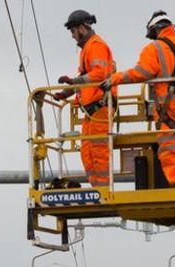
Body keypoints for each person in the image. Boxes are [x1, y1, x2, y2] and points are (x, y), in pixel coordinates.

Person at [101, 10, 175, 187]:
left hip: (169, 105)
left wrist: (114, 79)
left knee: (169, 146)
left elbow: (142, 72)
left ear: (155, 30)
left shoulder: (154, 48)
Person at [55, 9, 117, 190]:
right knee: (87, 151)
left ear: (82, 27)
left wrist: (73, 81)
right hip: (92, 111)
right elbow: (85, 78)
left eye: (73, 31)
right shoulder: (87, 49)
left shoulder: (96, 46)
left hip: (100, 107)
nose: (72, 35)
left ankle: (104, 191)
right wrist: (65, 93)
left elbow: (99, 74)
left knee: (98, 151)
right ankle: (97, 189)